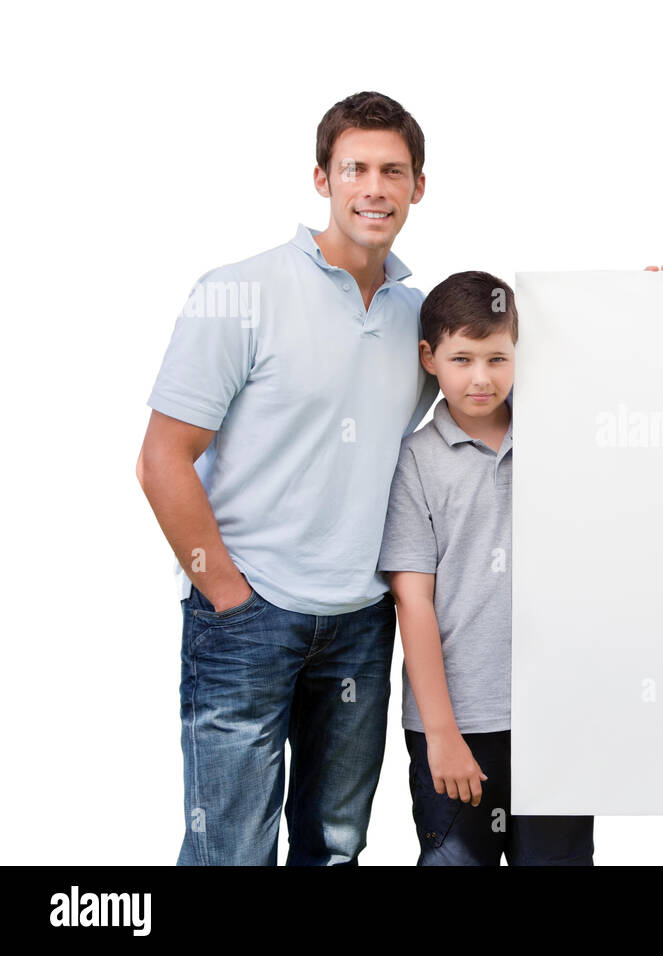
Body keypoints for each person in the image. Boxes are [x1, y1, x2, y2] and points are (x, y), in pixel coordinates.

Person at [136, 91, 438, 865]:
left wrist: (651, 298)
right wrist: (227, 598)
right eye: (356, 169)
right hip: (247, 617)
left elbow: (520, 369)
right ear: (322, 179)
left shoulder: (420, 319)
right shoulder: (243, 291)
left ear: (418, 187)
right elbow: (161, 458)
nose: (374, 188)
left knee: (334, 850)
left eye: (392, 171)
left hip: (361, 625)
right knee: (231, 852)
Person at [379, 271, 595, 865]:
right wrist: (442, 735)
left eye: (498, 357)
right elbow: (413, 602)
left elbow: (633, 380)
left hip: (553, 717)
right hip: (456, 722)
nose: (482, 377)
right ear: (430, 358)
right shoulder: (415, 462)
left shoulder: (558, 438)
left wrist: (662, 302)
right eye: (463, 358)